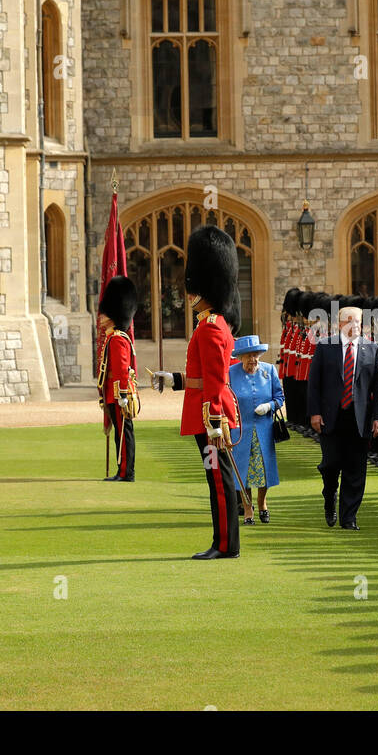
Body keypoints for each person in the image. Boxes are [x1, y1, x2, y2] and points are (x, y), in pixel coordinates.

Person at [151, 225, 243, 560]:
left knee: (219, 480)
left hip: (211, 416)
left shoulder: (211, 328)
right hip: (206, 412)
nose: (189, 294)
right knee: (215, 479)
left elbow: (216, 381)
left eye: (194, 289)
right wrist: (173, 379)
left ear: (207, 287)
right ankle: (222, 542)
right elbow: (200, 377)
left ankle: (225, 545)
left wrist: (215, 424)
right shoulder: (210, 324)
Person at [307, 302, 378, 530]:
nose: (355, 326)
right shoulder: (325, 347)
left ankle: (349, 517)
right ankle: (330, 496)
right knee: (331, 464)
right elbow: (314, 384)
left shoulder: (372, 349)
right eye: (350, 321)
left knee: (355, 469)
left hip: (359, 419)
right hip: (331, 417)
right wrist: (314, 413)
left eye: (359, 322)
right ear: (340, 324)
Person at [229, 334, 285, 525]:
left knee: (263, 471)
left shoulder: (269, 370)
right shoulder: (230, 372)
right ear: (241, 357)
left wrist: (269, 406)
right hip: (240, 430)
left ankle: (262, 504)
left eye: (255, 355)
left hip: (264, 429)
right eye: (248, 356)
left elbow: (279, 397)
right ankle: (247, 509)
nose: (253, 360)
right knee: (242, 472)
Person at [97, 276, 139, 482]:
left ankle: (125, 472)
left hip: (118, 394)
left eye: (105, 313)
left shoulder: (117, 339)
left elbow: (122, 370)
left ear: (114, 314)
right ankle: (122, 470)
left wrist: (122, 394)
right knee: (121, 434)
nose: (101, 316)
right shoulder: (113, 337)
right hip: (114, 393)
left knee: (123, 434)